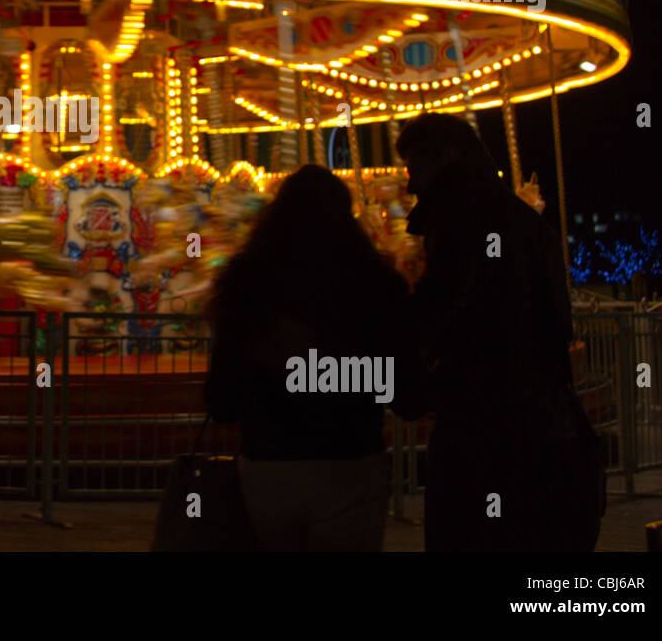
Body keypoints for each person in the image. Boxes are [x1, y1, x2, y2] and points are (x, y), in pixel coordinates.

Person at [394, 113, 602, 551]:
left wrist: (409, 372)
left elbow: (446, 309)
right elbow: (556, 325)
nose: (411, 186)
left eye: (415, 170)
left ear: (445, 159)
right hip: (545, 426)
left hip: (481, 430)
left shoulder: (459, 219)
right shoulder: (527, 224)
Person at [205, 164, 412, 550]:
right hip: (350, 455)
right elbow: (400, 380)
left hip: (270, 458)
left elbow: (223, 397)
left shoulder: (247, 283)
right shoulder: (374, 282)